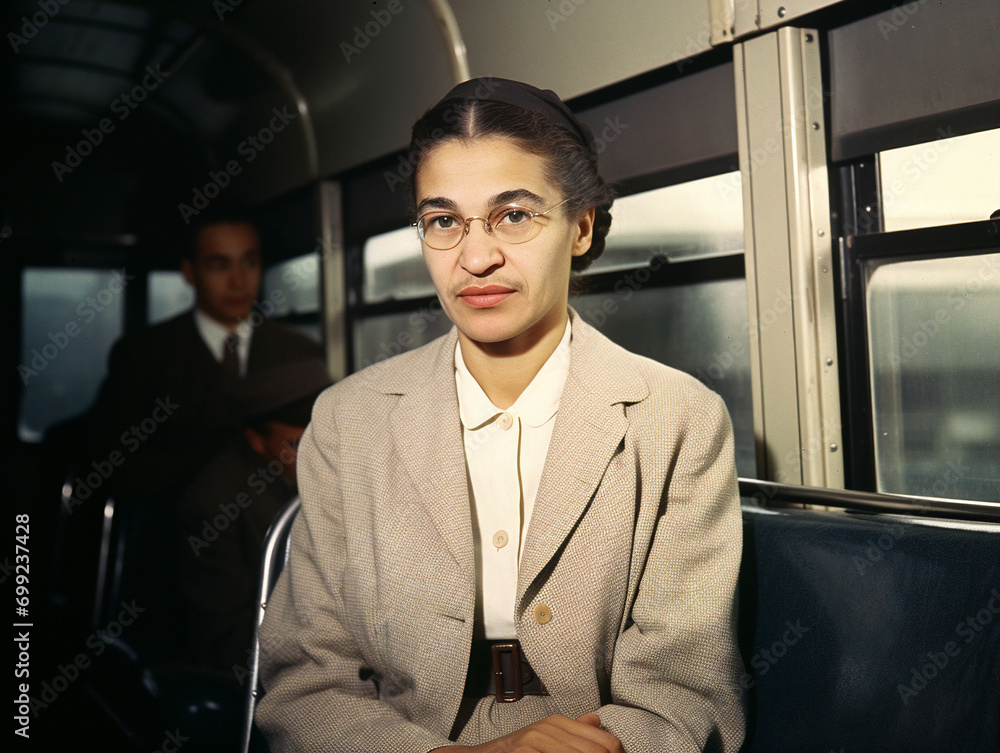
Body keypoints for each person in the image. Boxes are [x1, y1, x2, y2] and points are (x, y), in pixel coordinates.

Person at [256, 78, 744, 752]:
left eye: (514, 215)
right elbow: (304, 685)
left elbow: (683, 692)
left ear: (581, 227)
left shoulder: (676, 419)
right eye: (443, 220)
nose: (475, 257)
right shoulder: (348, 422)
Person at [76, 204, 323, 505]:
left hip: (277, 525)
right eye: (219, 265)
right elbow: (115, 468)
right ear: (190, 273)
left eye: (249, 263)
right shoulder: (143, 354)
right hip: (170, 529)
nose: (238, 281)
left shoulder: (299, 352)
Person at [176, 358, 331, 682]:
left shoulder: (345, 463)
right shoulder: (214, 503)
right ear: (256, 440)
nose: (317, 454)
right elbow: (226, 637)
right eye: (297, 445)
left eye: (324, 437)